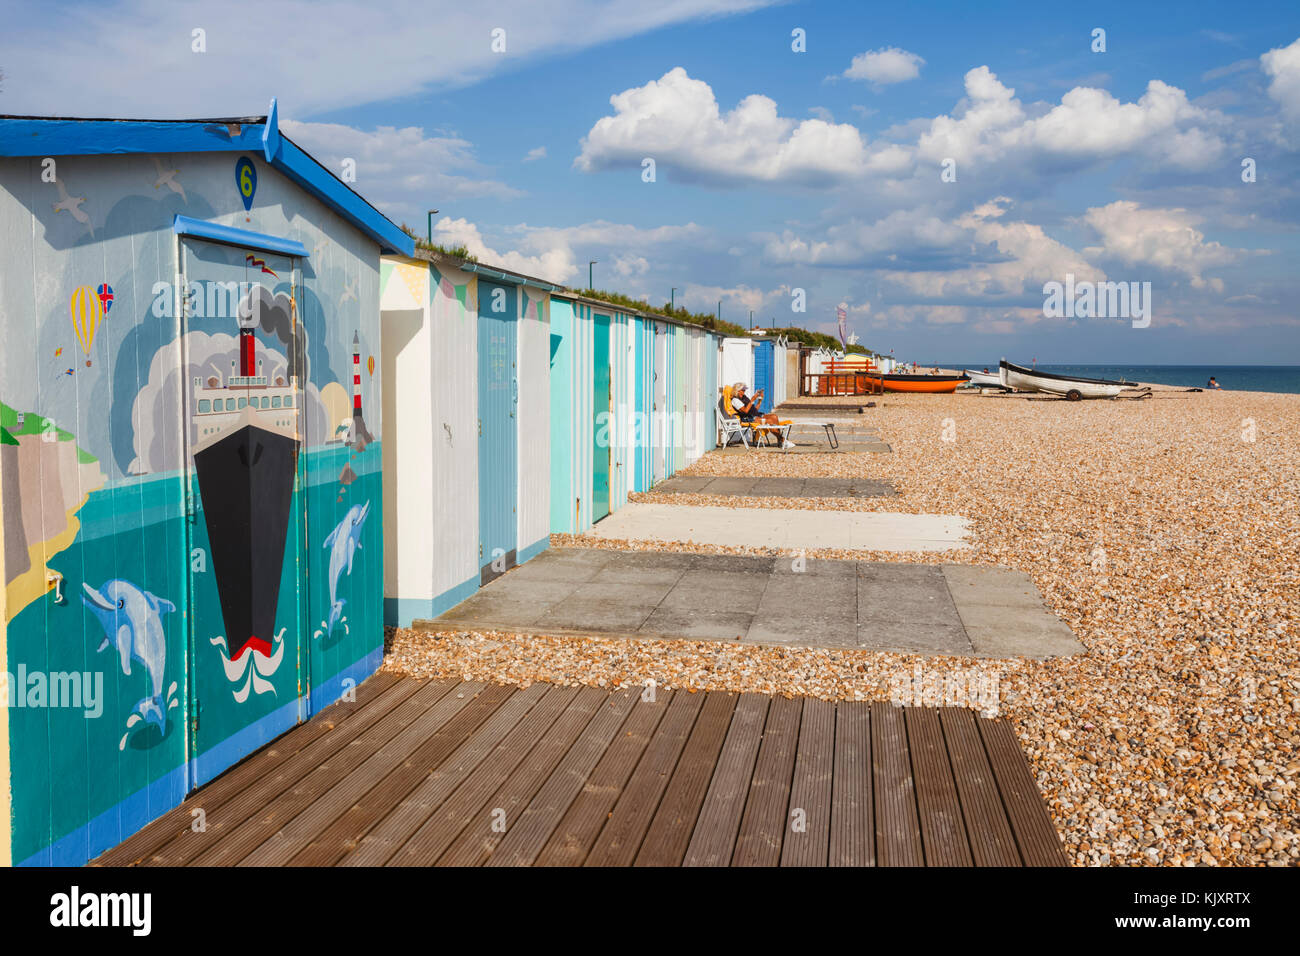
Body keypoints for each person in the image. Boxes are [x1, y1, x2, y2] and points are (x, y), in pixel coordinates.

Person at [731, 382, 794, 448]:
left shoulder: (744, 398)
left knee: (774, 417)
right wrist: (752, 399)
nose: (744, 392)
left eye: (744, 391)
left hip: (755, 415)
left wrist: (759, 401)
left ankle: (780, 440)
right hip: (747, 418)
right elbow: (745, 411)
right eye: (742, 391)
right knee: (769, 421)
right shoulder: (735, 400)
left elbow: (755, 410)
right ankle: (783, 440)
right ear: (737, 391)